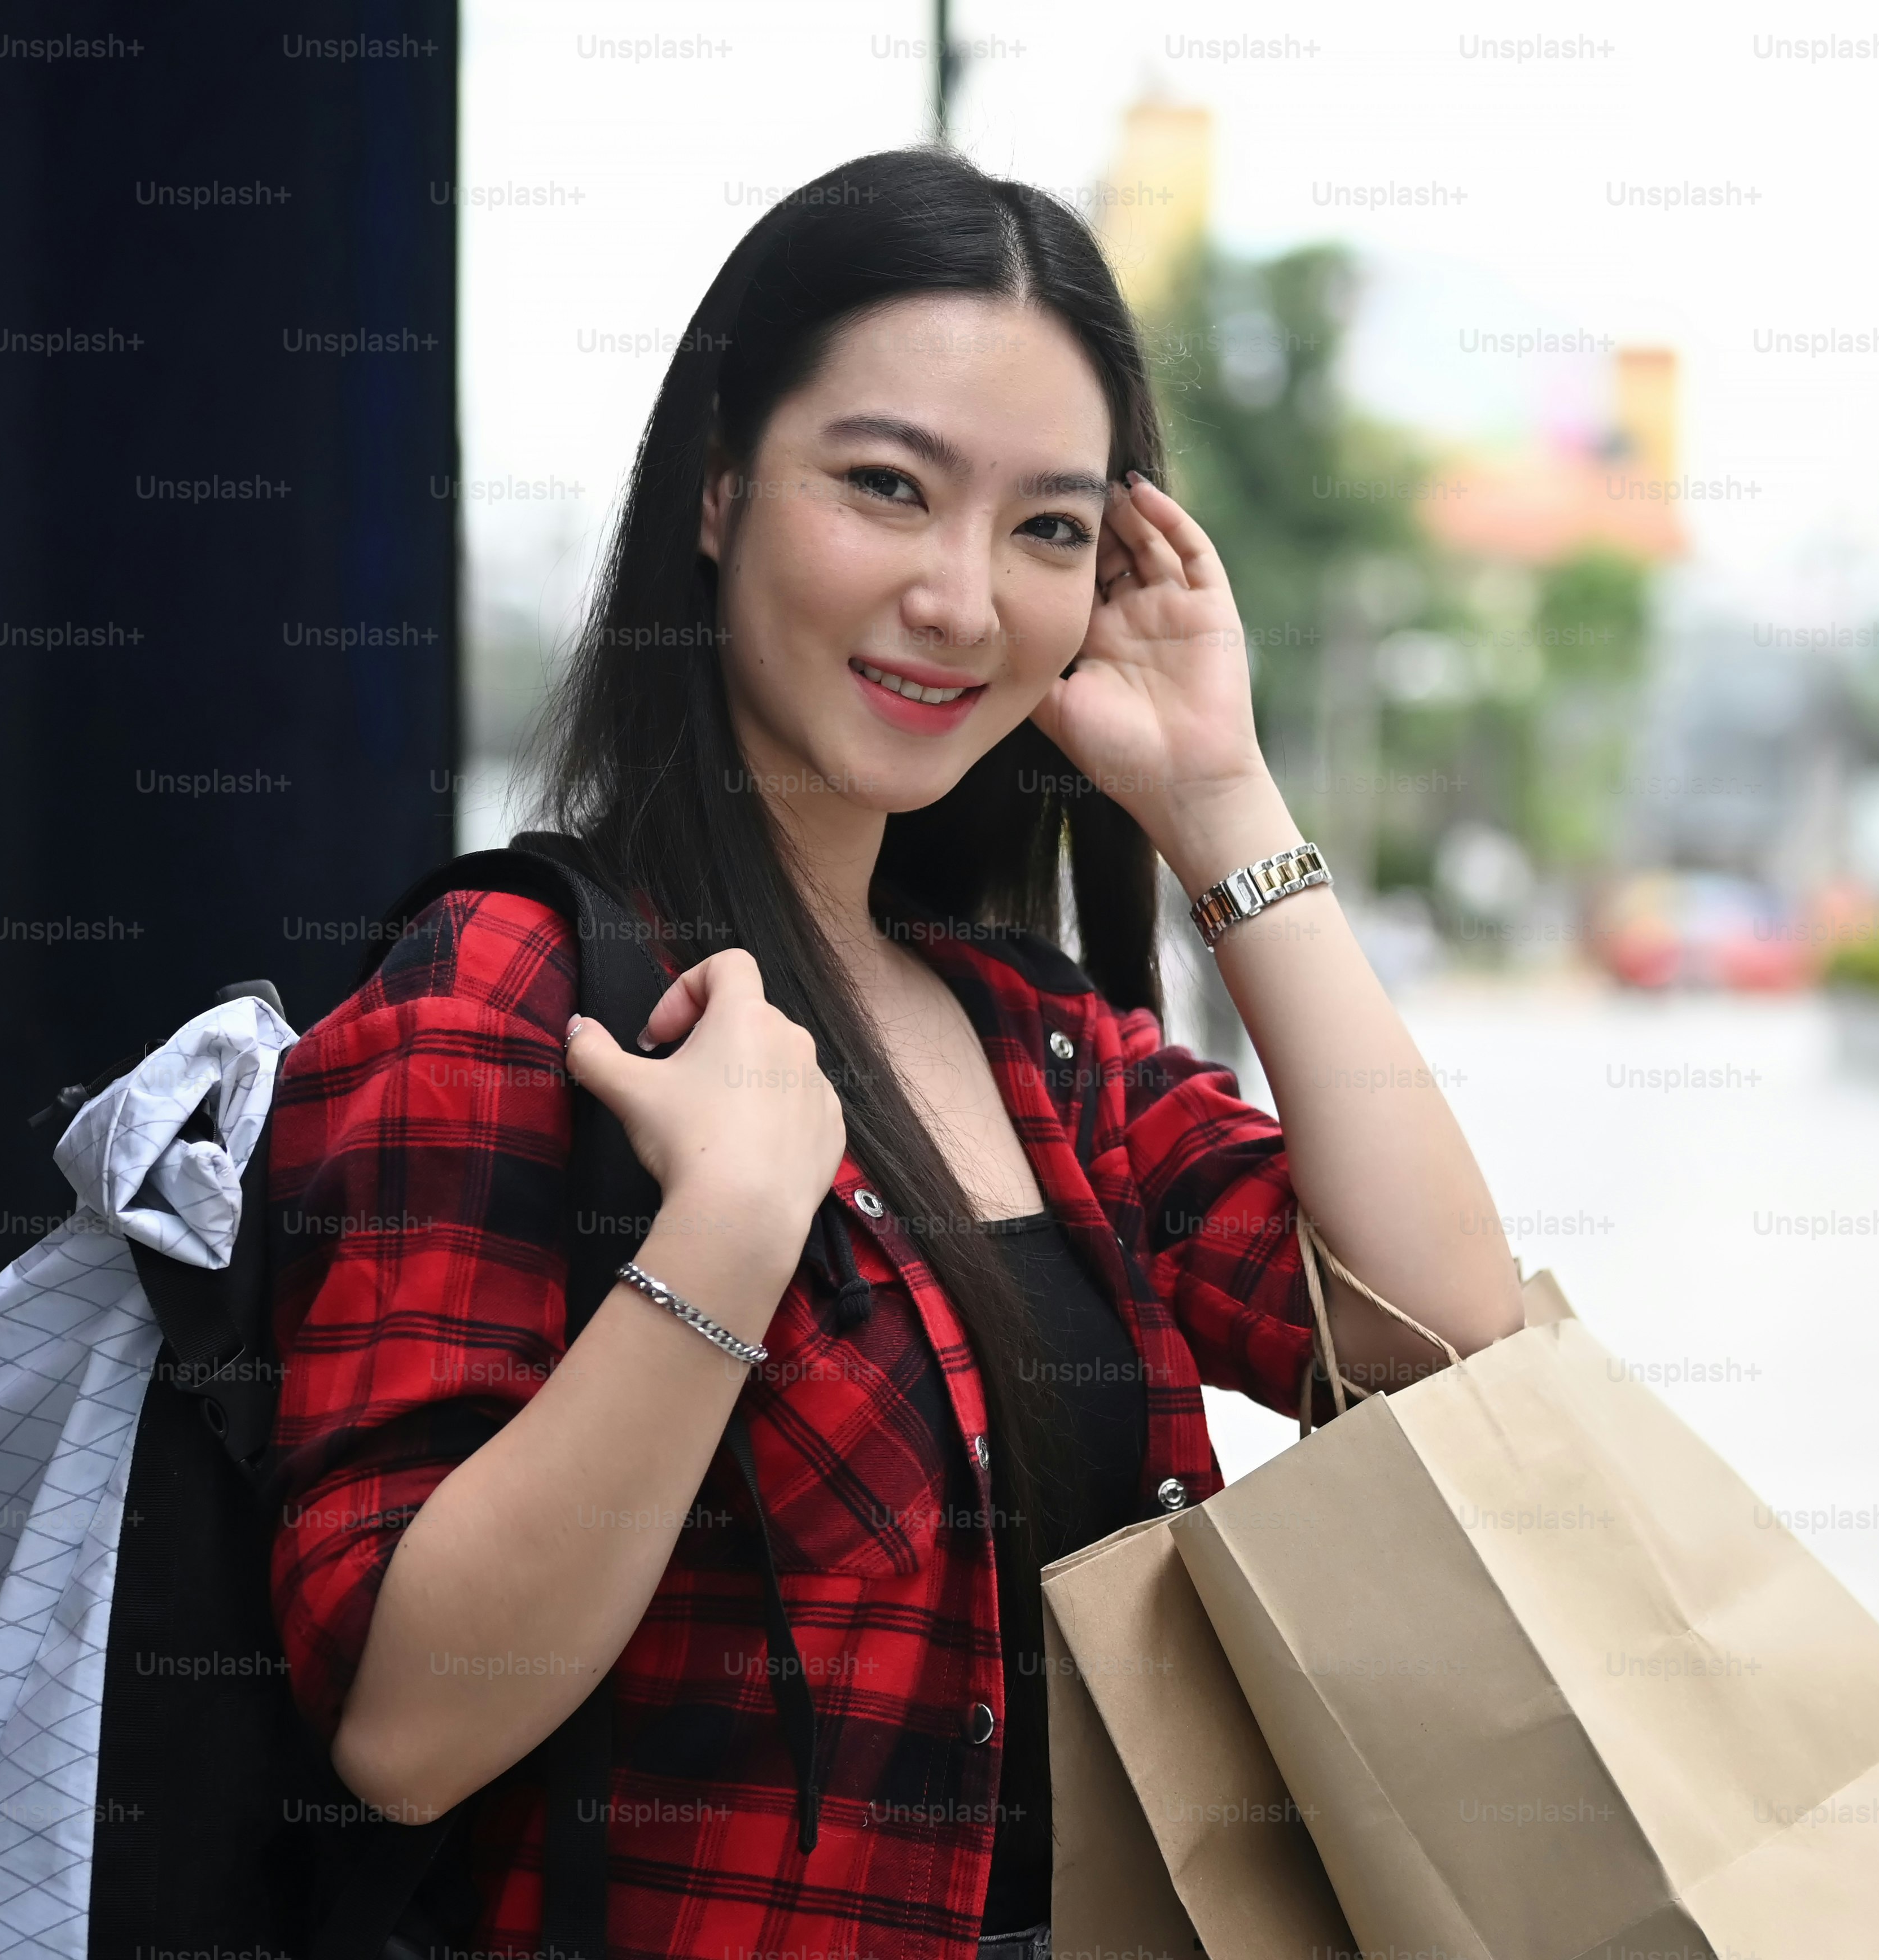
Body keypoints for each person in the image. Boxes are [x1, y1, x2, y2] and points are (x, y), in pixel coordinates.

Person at [261, 148, 1527, 1957]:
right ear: (716, 489)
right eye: (885, 486)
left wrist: (1218, 793)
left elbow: (1440, 1345)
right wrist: (719, 1245)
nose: (961, 597)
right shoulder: (507, 1004)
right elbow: (407, 1731)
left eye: (1047, 529)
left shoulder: (1045, 1051)